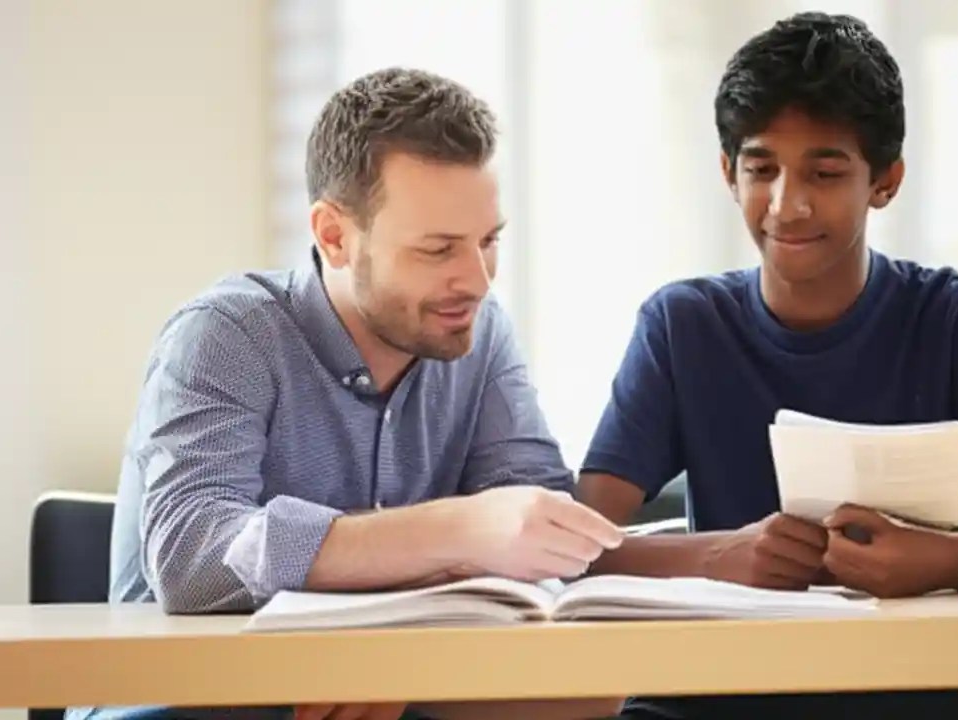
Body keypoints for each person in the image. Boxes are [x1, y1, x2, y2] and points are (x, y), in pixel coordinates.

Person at [575, 12, 958, 718]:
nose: (787, 204)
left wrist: (955, 555)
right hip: (717, 698)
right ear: (729, 173)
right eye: (761, 169)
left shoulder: (953, 320)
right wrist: (715, 556)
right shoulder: (682, 327)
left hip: (918, 692)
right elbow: (576, 542)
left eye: (825, 171)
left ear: (885, 181)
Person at [70, 68, 624, 720]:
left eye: (489, 241)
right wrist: (451, 532)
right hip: (197, 704)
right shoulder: (225, 335)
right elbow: (193, 557)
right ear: (334, 235)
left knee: (588, 702)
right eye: (438, 249)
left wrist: (397, 656)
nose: (475, 279)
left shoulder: (480, 332)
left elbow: (540, 535)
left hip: (404, 690)